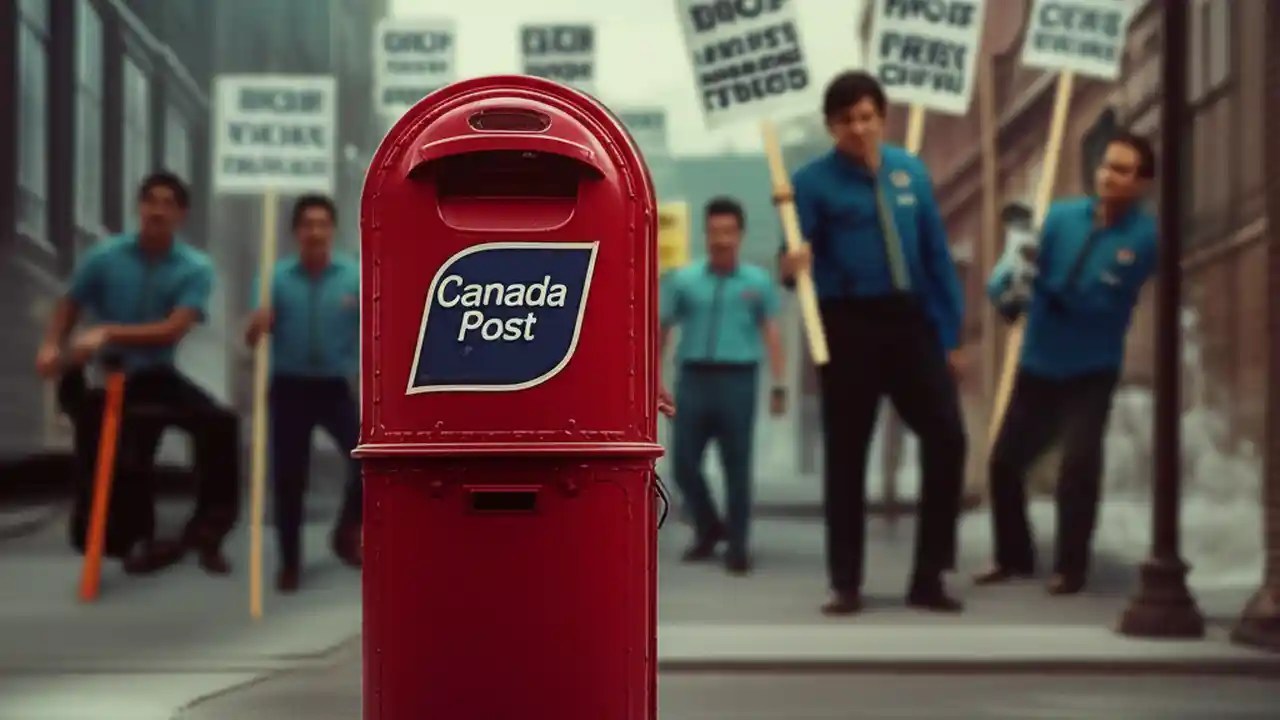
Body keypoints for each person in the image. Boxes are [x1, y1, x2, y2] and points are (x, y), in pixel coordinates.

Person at [779, 71, 967, 614]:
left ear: (883, 118)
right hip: (848, 325)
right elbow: (794, 261)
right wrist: (791, 268)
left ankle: (929, 576)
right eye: (846, 121)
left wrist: (949, 334)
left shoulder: (911, 173)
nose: (858, 129)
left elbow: (936, 257)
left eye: (867, 117)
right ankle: (846, 582)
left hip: (910, 324)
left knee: (948, 438)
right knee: (846, 455)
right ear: (831, 126)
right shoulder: (810, 183)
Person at [976, 131, 1158, 596]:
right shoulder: (1060, 216)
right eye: (1104, 165)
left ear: (1141, 184)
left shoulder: (1143, 238)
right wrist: (1008, 287)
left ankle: (1071, 567)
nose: (1107, 176)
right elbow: (1018, 272)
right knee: (1003, 463)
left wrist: (1045, 289)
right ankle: (1013, 557)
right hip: (1039, 360)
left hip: (1091, 369)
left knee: (1078, 465)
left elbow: (1102, 299)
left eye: (1121, 170)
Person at [35, 171, 238, 575]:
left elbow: (173, 328)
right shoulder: (105, 257)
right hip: (105, 374)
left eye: (168, 204)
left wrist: (108, 330)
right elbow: (70, 303)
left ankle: (207, 531)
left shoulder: (194, 268)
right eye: (151, 202)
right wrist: (51, 345)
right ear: (139, 207)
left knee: (220, 425)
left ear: (181, 214)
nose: (157, 211)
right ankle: (130, 540)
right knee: (123, 458)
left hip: (156, 374)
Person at [660, 197, 786, 575]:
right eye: (715, 231)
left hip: (738, 379)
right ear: (706, 233)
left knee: (737, 465)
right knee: (682, 462)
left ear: (741, 235)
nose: (722, 239)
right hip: (694, 378)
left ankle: (738, 545)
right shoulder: (686, 280)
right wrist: (654, 378)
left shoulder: (756, 282)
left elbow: (771, 331)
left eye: (729, 231)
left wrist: (779, 384)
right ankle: (709, 526)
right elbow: (662, 327)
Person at [245, 195, 362, 592]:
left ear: (332, 230)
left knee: (367, 460)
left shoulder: (354, 277)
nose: (315, 232)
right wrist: (258, 325)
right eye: (307, 225)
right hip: (288, 388)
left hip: (334, 388)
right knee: (289, 477)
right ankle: (290, 563)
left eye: (322, 224)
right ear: (296, 232)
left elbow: (377, 326)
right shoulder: (274, 277)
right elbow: (251, 338)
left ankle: (347, 531)